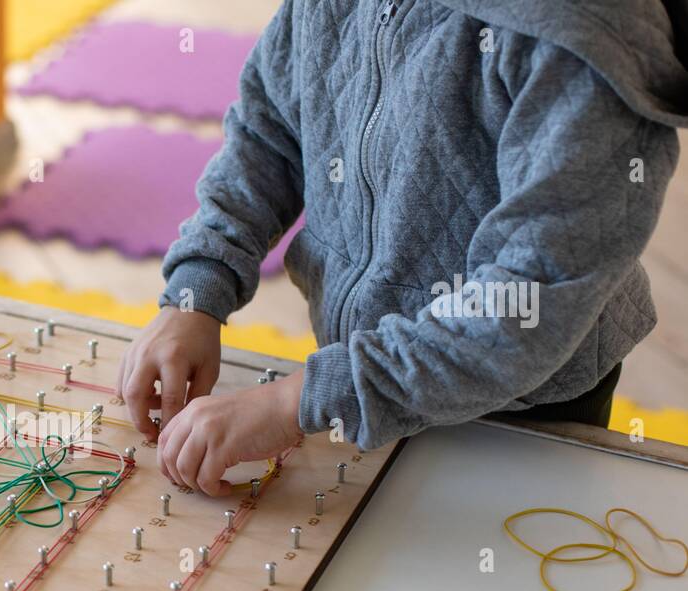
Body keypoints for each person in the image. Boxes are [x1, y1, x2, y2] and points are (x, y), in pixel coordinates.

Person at [116, 0, 688, 496]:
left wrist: (298, 401)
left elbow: (522, 308)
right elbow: (271, 137)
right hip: (360, 384)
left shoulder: (579, 38)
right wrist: (197, 290)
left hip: (527, 409)